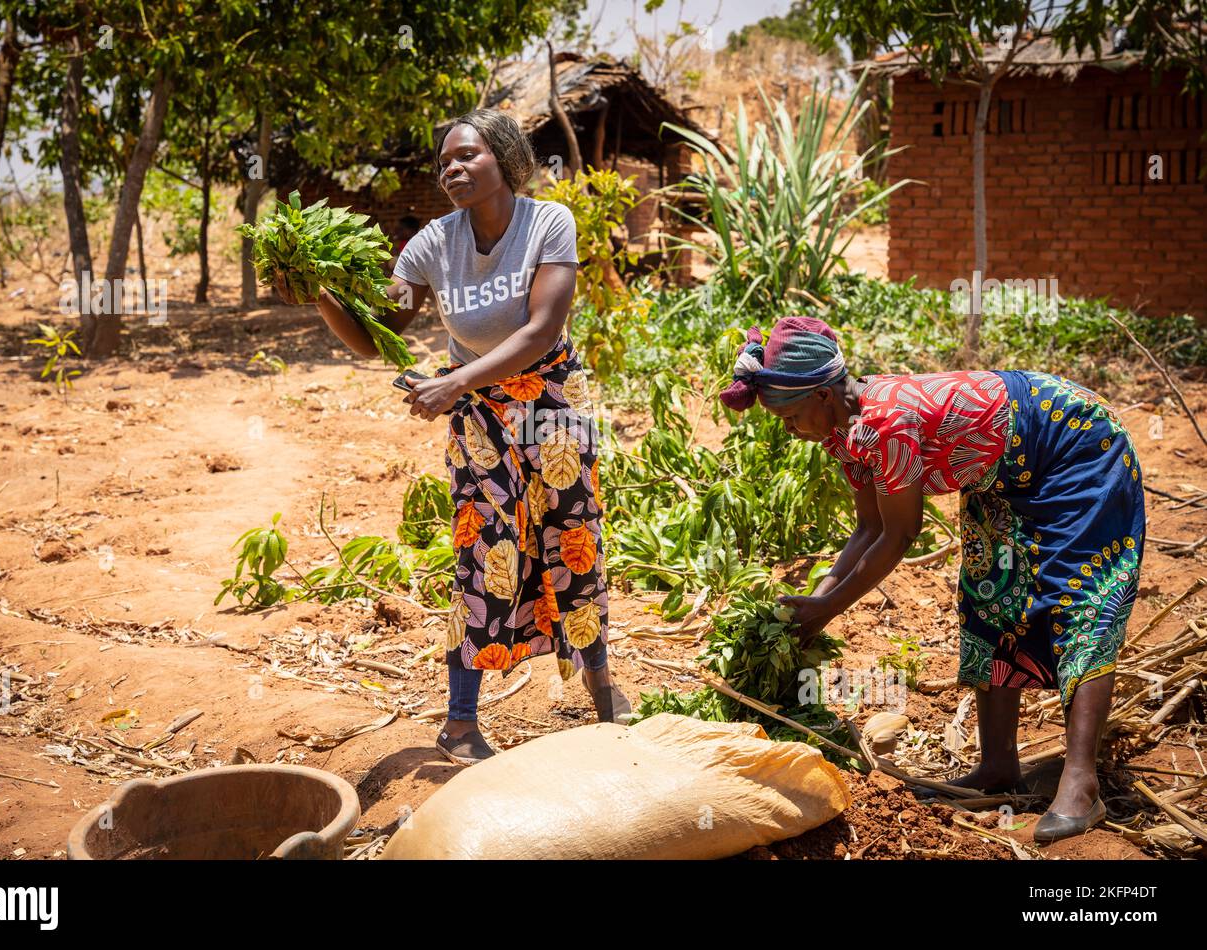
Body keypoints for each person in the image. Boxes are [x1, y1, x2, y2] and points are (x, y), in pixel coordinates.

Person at [277, 108, 630, 766]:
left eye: (466, 156)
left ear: (506, 158)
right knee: (483, 549)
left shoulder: (547, 222)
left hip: (553, 402)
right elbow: (379, 332)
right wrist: (321, 293)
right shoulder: (433, 244)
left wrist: (455, 382)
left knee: (573, 538)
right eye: (444, 163)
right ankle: (461, 724)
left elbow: (542, 331)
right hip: (481, 417)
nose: (452, 170)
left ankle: (603, 692)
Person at [719, 316, 1145, 843]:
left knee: (1078, 599)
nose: (787, 428)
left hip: (1073, 446)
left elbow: (900, 536)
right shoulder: (842, 431)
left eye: (789, 413)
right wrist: (817, 597)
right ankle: (998, 767)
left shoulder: (885, 422)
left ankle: (1082, 785)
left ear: (826, 394)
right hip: (1004, 470)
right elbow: (868, 527)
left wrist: (826, 612)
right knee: (991, 595)